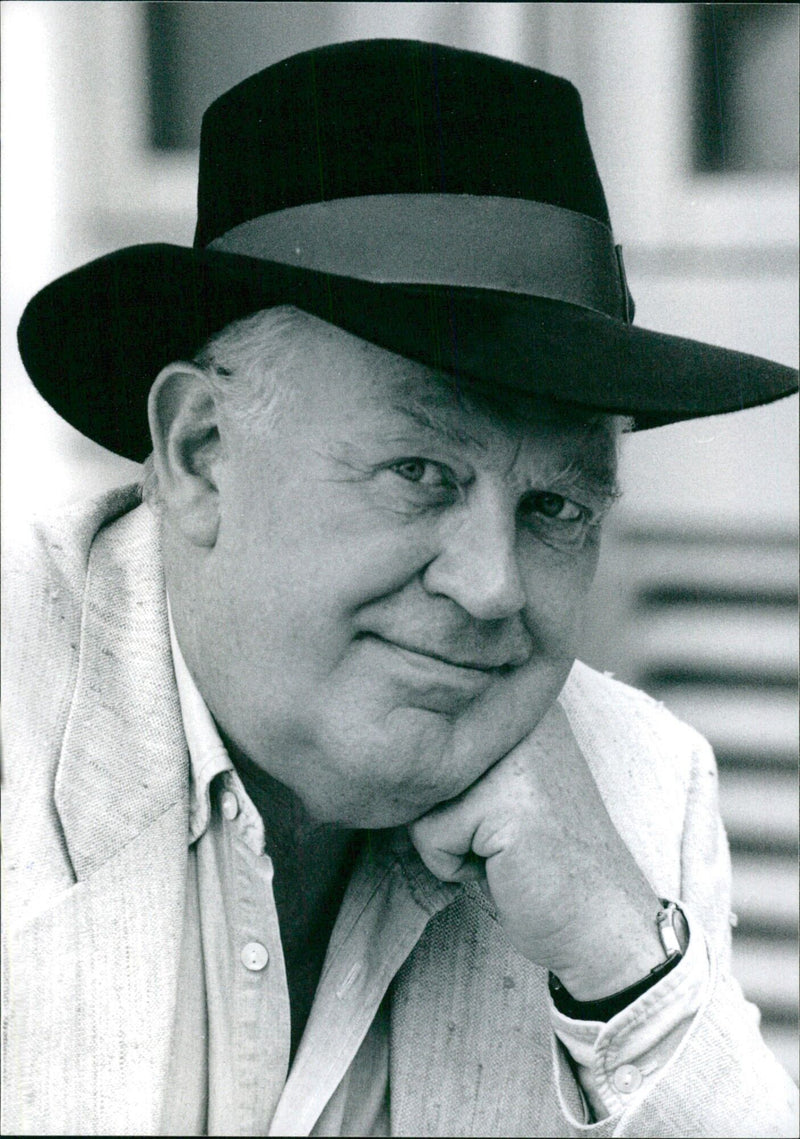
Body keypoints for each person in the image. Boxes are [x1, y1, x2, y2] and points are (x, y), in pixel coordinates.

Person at [2, 39, 797, 1138]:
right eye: (418, 472)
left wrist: (622, 972)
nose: (490, 586)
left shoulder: (638, 799)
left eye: (556, 507)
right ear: (197, 453)